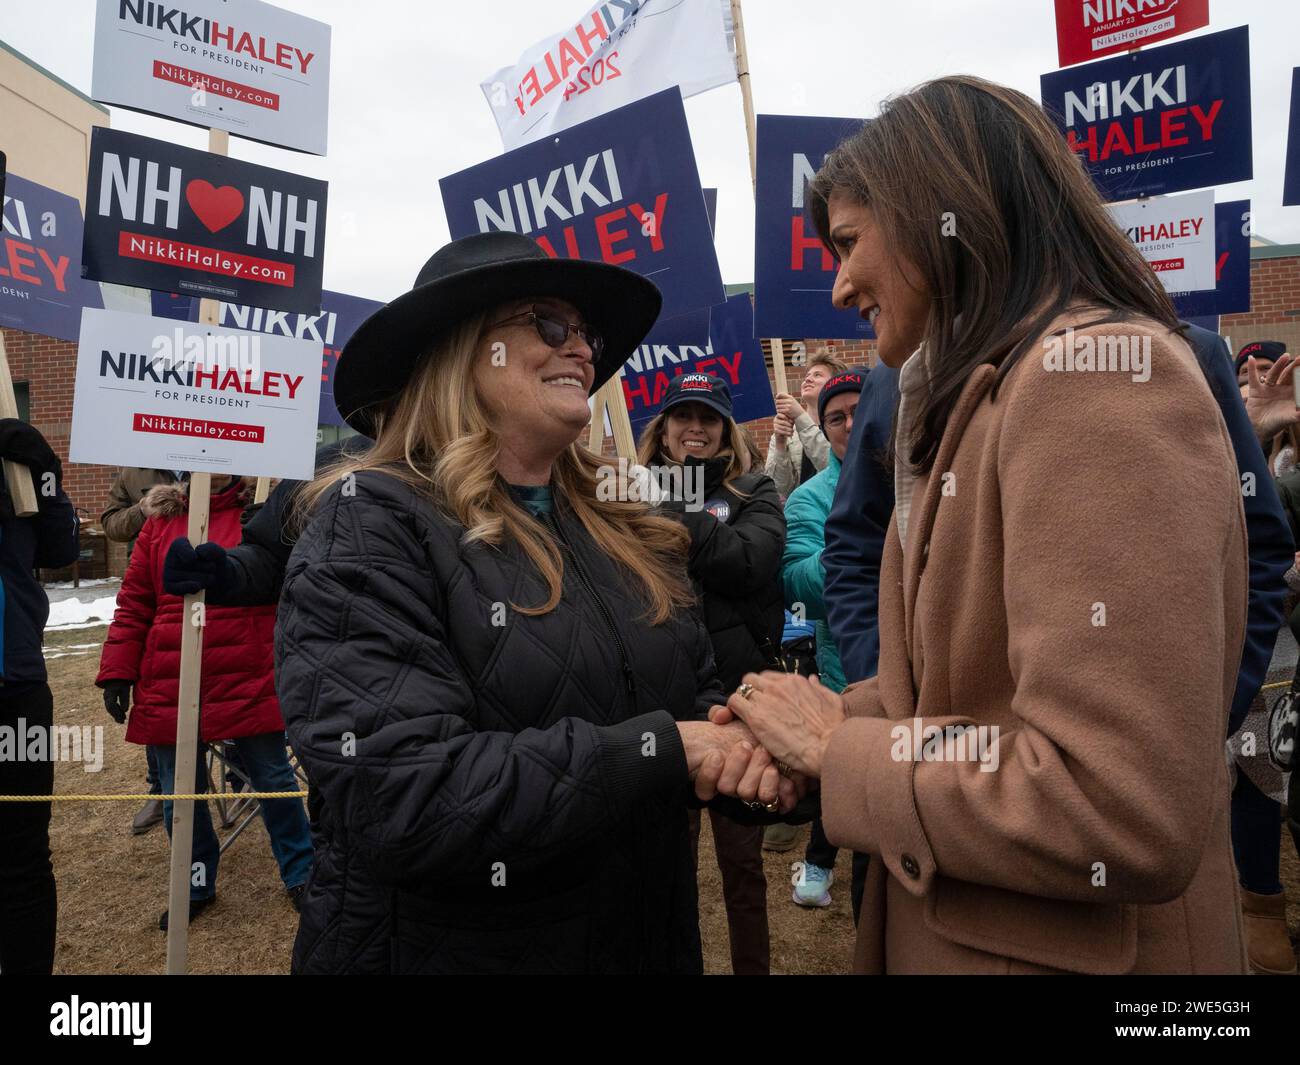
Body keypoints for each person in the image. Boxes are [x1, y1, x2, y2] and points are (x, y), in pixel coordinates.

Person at [719, 76, 1250, 974]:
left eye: (848, 244)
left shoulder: (1091, 385)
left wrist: (842, 751)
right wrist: (818, 727)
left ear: (943, 213)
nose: (840, 285)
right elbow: (963, 703)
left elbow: (1116, 799)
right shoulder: (981, 398)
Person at [274, 232, 797, 975]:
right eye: (548, 323)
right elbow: (407, 793)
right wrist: (665, 747)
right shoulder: (369, 527)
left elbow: (694, 695)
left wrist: (757, 752)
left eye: (587, 332)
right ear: (462, 351)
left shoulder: (624, 522)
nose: (581, 348)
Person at [96, 475, 314, 929]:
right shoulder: (160, 522)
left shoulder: (263, 513)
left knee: (273, 779)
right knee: (180, 794)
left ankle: (302, 874)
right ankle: (194, 884)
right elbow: (135, 600)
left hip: (247, 672)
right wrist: (117, 669)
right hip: (173, 677)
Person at [634, 373, 787, 974]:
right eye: (682, 416)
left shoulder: (754, 490)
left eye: (708, 418)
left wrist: (669, 500)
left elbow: (748, 563)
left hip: (734, 700)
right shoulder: (624, 491)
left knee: (741, 861)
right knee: (659, 862)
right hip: (655, 698)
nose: (695, 428)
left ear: (725, 429)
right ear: (663, 427)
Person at [0, 420, 79, 974]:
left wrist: (45, 472)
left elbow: (61, 548)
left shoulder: (15, 470)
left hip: (17, 685)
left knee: (22, 855)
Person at [781, 370, 862, 908]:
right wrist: (856, 537)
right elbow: (796, 585)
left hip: (926, 673)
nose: (851, 425)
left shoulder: (926, 474)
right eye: (837, 417)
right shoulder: (811, 498)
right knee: (846, 776)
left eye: (861, 411)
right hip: (845, 669)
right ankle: (819, 863)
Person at [101, 465, 185, 836]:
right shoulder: (134, 470)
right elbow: (112, 525)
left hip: (221, 587)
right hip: (155, 584)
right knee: (158, 690)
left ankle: (241, 776)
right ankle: (161, 788)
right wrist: (144, 510)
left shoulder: (226, 457)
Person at [763, 352, 847, 498]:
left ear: (834, 383)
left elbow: (833, 468)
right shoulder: (787, 432)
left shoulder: (846, 424)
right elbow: (779, 488)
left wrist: (800, 416)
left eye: (817, 375)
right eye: (807, 376)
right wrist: (780, 444)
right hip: (803, 512)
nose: (808, 379)